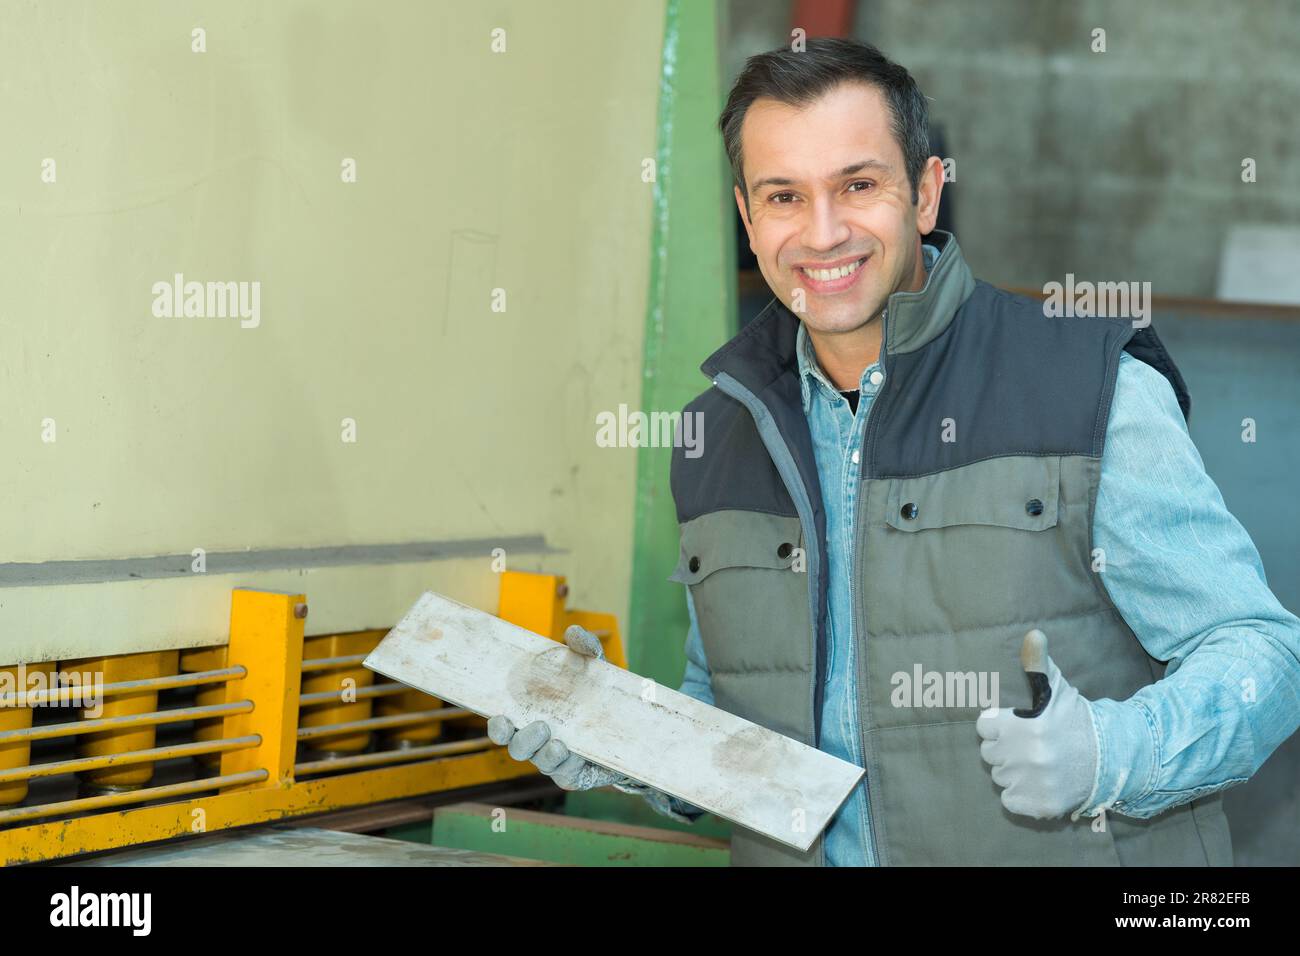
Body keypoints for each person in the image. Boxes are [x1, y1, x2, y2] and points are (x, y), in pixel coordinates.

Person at [492, 37, 1300, 866]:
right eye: (783, 196)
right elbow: (737, 712)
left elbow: (1265, 654)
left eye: (859, 185)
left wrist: (1111, 752)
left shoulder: (1090, 389)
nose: (823, 232)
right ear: (746, 215)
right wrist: (621, 741)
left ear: (925, 193)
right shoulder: (716, 436)